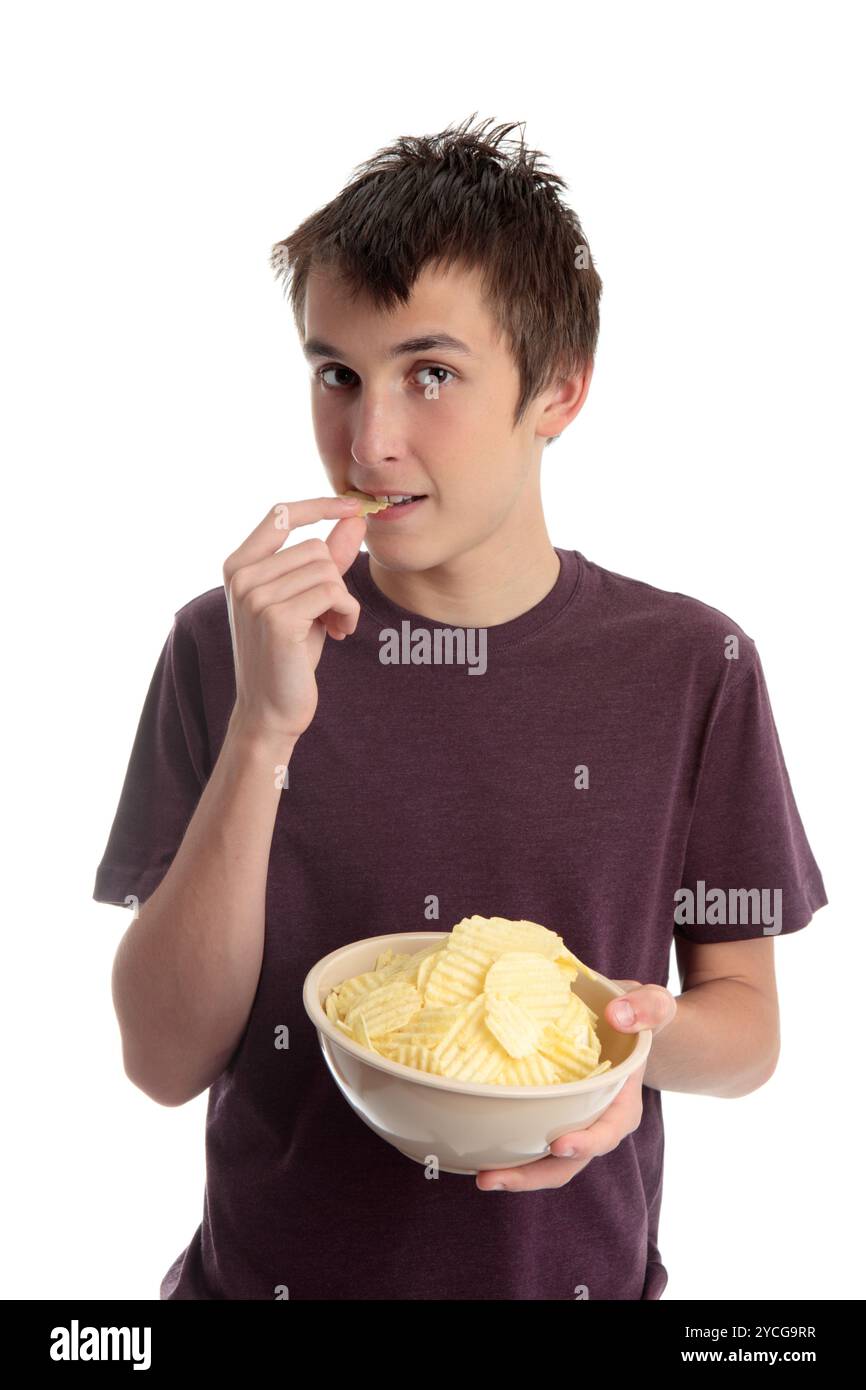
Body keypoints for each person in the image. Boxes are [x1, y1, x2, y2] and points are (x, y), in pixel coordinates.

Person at [93, 115, 828, 1300]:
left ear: (560, 389)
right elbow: (161, 1059)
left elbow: (745, 1033)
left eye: (428, 373)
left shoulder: (692, 665)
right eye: (336, 373)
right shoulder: (225, 644)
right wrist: (264, 729)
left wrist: (621, 1046)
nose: (368, 440)